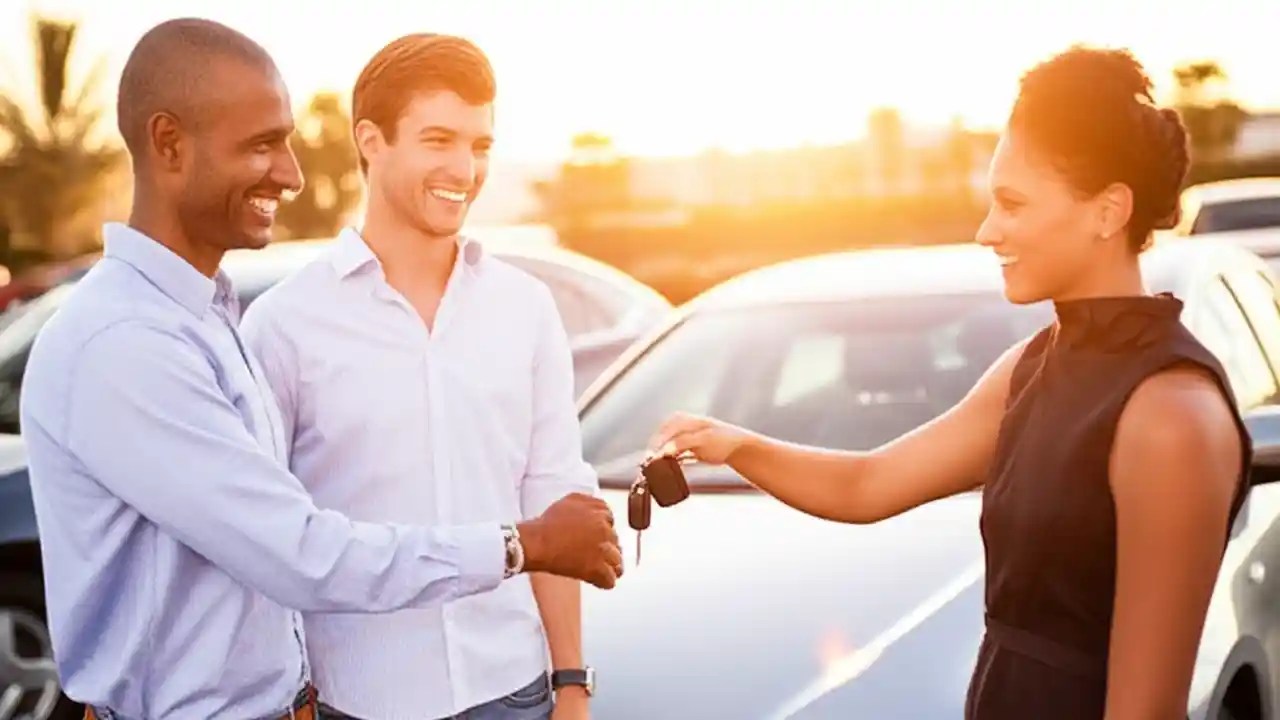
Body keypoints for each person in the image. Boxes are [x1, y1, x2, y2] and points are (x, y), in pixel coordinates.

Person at [19, 18, 622, 720]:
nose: (293, 174)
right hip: (344, 705)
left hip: (492, 690)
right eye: (262, 144)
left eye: (479, 144)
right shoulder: (147, 341)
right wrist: (527, 543)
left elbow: (258, 552)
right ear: (169, 143)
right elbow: (297, 553)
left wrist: (569, 681)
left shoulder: (209, 321)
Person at [648, 46, 1251, 720]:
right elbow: (869, 485)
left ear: (1107, 212)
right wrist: (735, 446)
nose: (987, 230)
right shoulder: (1033, 366)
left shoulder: (1170, 413)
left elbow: (1144, 714)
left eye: (1012, 204)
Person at [238, 32, 603, 720]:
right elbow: (266, 537)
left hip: (514, 692)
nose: (465, 168)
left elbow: (552, 491)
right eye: (439, 140)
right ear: (371, 141)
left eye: (481, 145)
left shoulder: (524, 309)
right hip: (358, 703)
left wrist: (572, 685)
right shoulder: (283, 325)